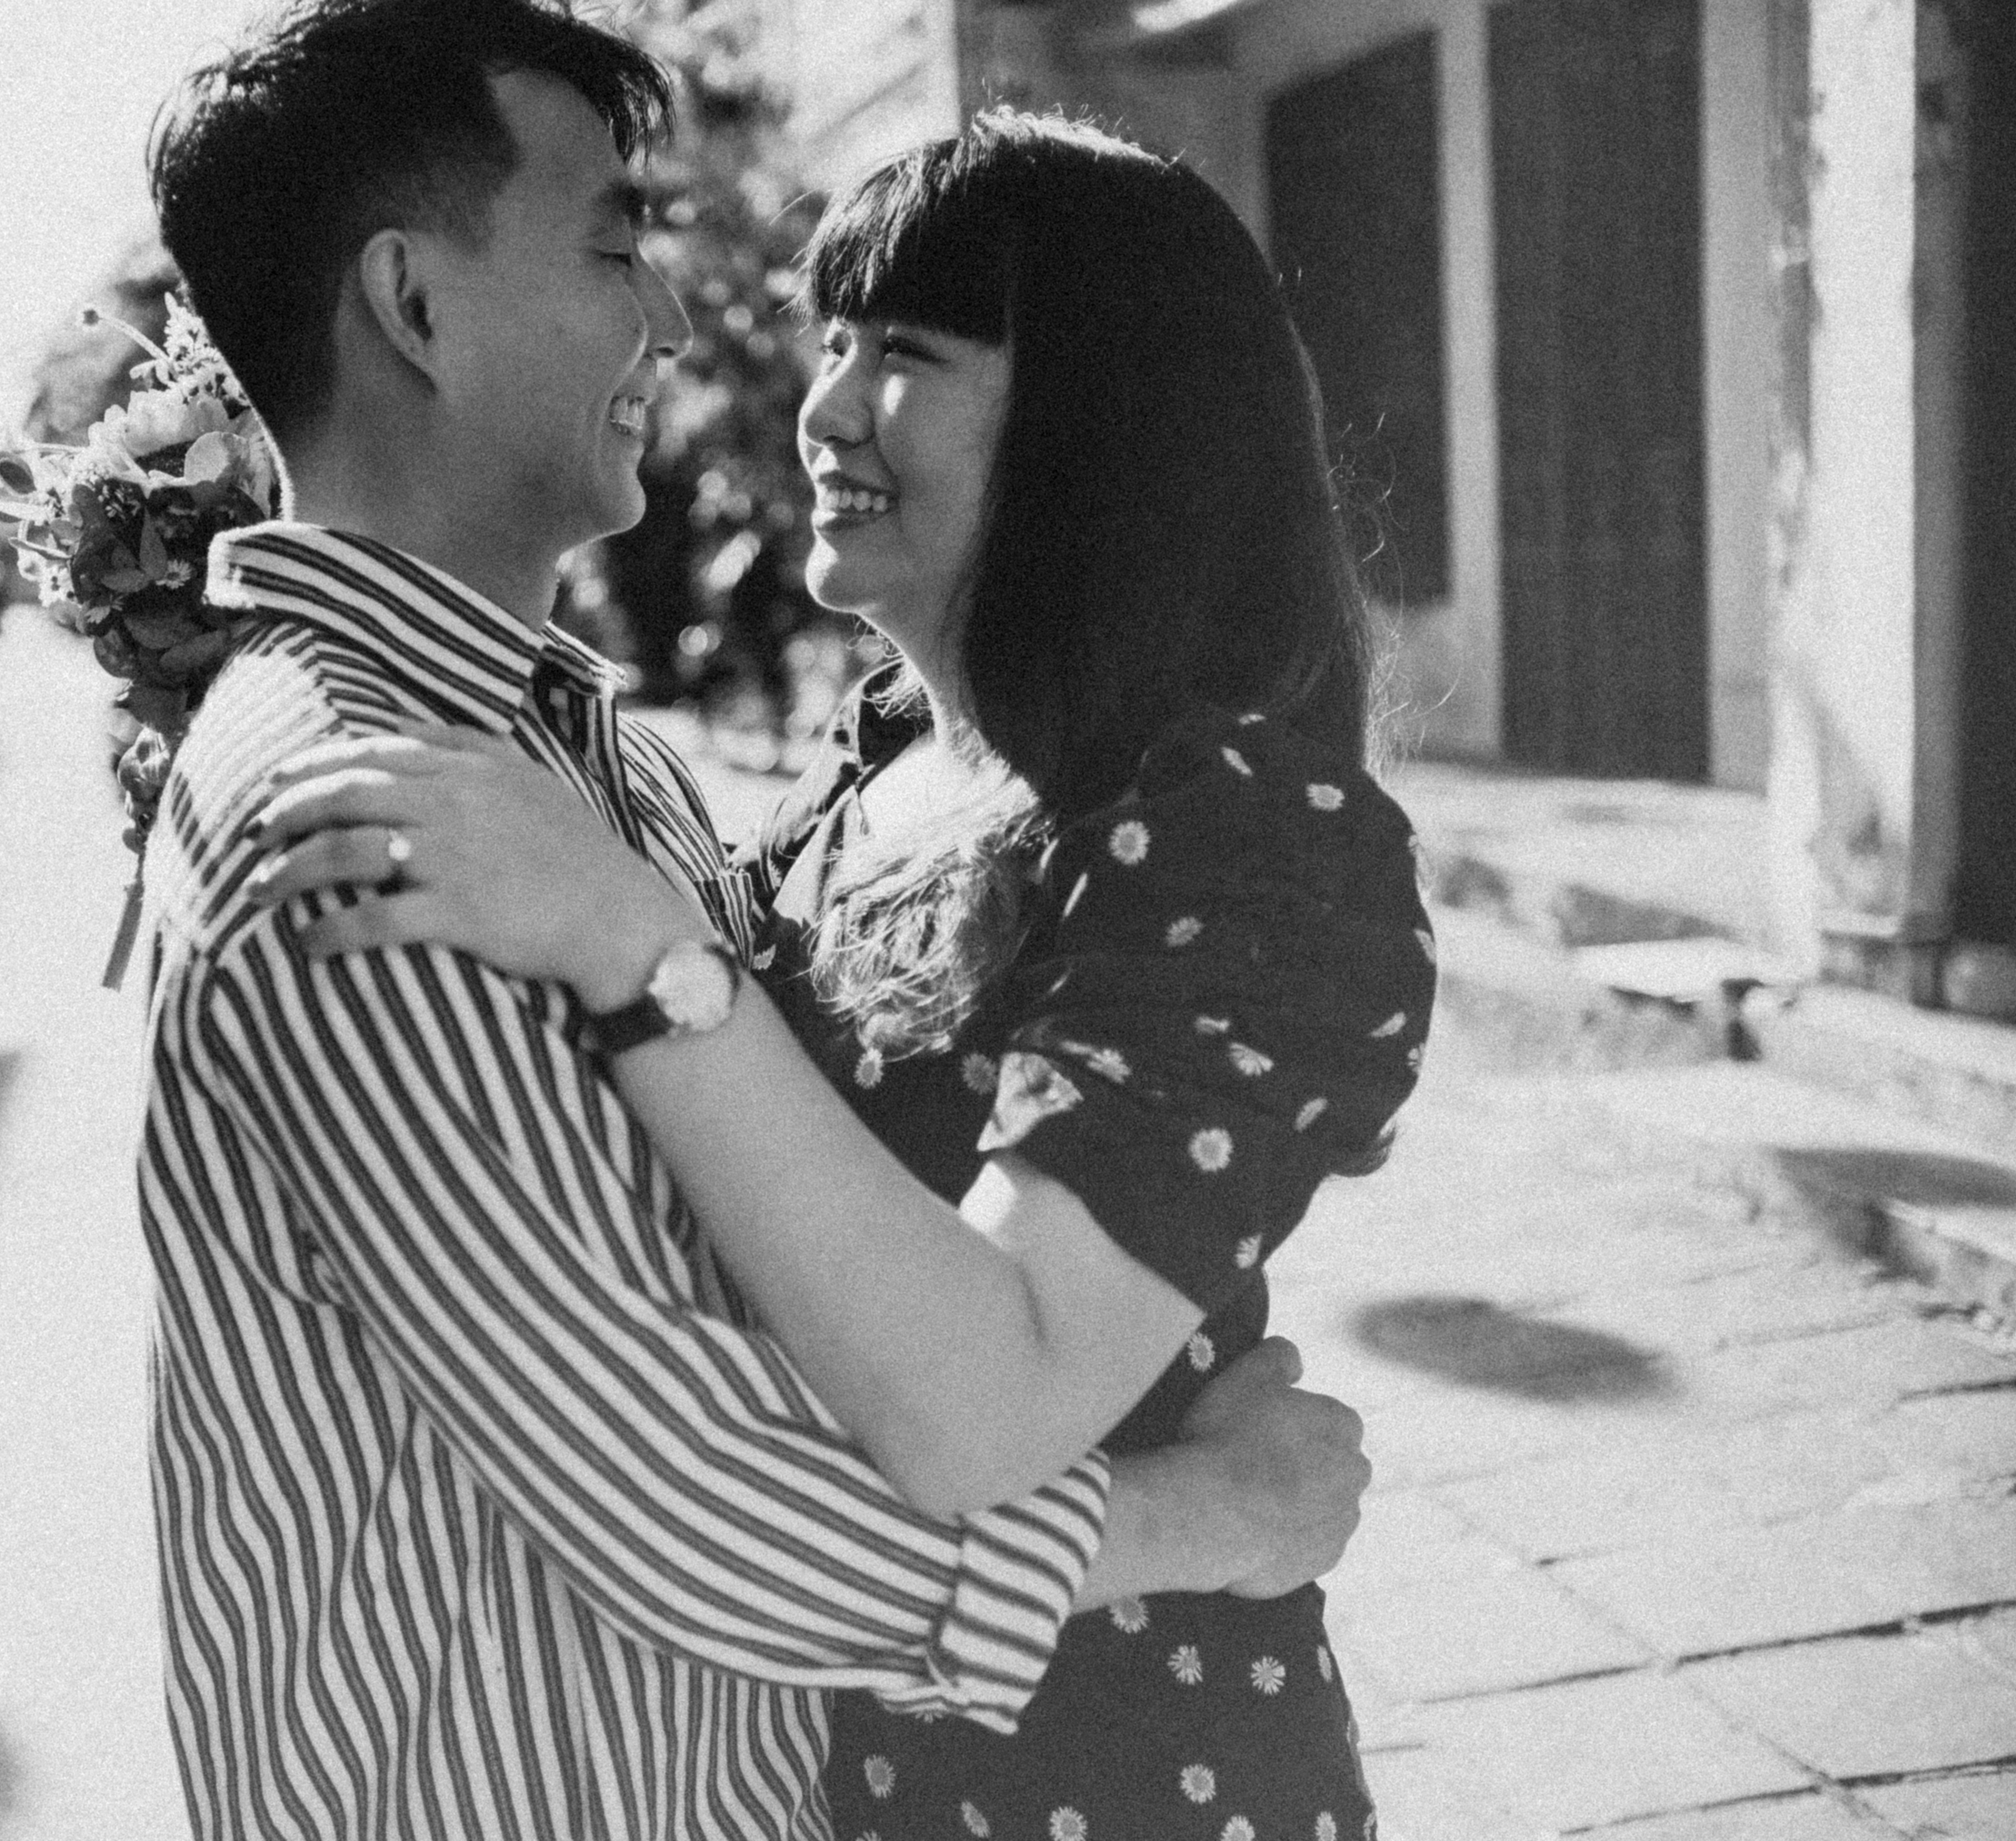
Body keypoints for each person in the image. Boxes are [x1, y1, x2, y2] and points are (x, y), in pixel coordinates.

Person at [133, 5, 1375, 1836]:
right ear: (412, 305)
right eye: (612, 249)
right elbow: (691, 1495)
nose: (670, 321)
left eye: (908, 351)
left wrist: (653, 952)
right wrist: (1211, 1513)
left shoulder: (583, 771)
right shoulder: (374, 817)